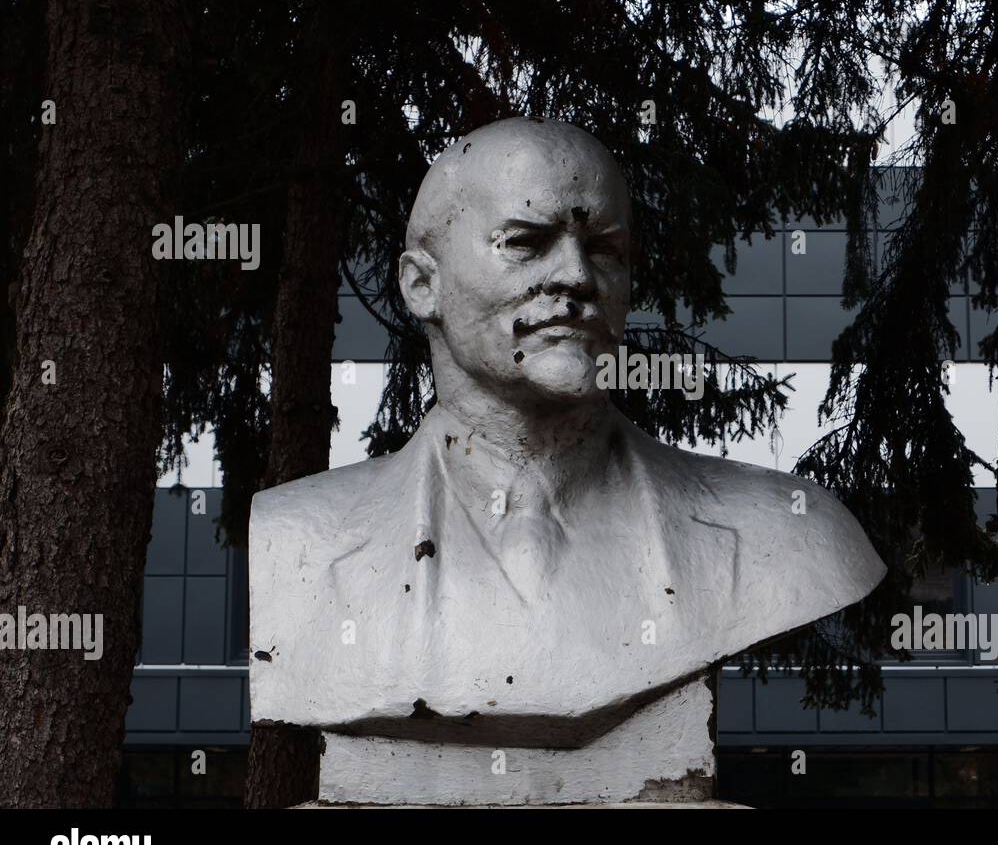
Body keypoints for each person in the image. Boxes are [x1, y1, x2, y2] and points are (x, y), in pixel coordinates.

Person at [249, 117, 885, 746]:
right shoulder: (293, 543)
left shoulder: (788, 533)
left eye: (605, 249)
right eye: (525, 242)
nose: (579, 277)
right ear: (422, 285)